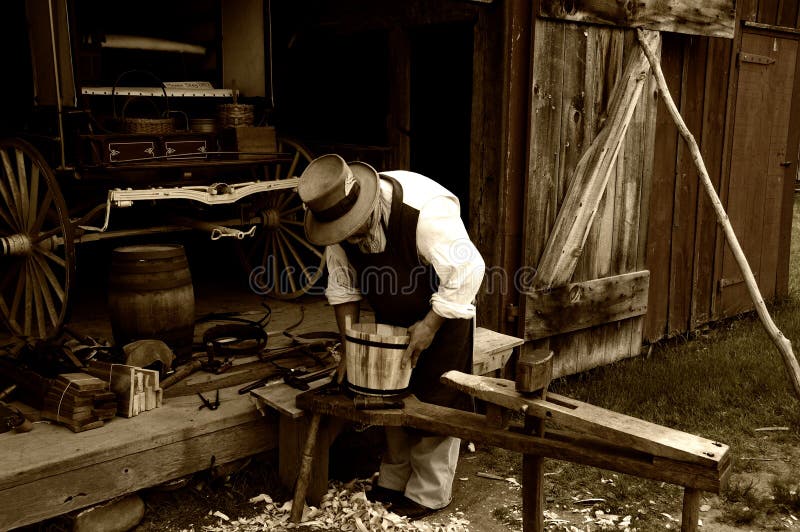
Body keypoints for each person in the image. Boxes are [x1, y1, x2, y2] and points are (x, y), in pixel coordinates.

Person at [297, 154, 485, 518]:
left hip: (445, 311)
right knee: (387, 391)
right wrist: (350, 351)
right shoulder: (333, 218)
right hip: (393, 310)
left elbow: (469, 269)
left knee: (437, 394)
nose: (349, 237)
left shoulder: (424, 212)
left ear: (367, 204)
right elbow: (343, 288)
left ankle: (430, 491)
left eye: (355, 227)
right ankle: (395, 476)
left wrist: (430, 324)